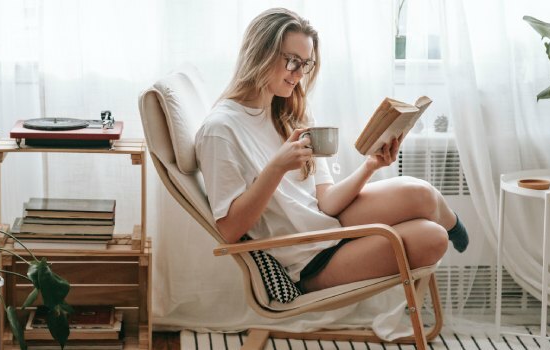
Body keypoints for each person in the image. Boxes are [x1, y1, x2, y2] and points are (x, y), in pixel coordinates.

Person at [194, 8, 469, 294]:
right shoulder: (220, 130)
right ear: (260, 53)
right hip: (308, 260)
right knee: (432, 238)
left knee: (421, 194)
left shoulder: (286, 112)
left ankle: (454, 226)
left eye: (306, 64)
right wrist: (276, 168)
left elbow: (325, 201)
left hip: (328, 225)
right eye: (292, 61)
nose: (299, 74)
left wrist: (370, 166)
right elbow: (228, 230)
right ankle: (447, 229)